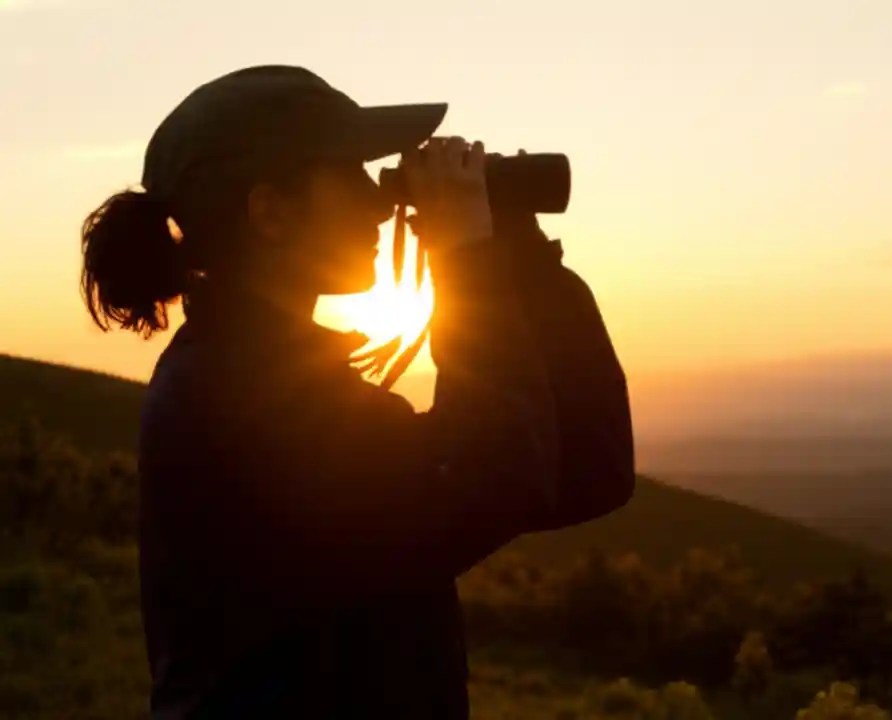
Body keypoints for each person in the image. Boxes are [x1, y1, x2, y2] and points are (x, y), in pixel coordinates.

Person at [78, 65, 634, 718]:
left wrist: (521, 254)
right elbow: (494, 476)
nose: (380, 203)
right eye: (352, 173)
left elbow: (587, 467)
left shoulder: (258, 375)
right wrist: (465, 257)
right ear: (271, 212)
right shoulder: (239, 396)